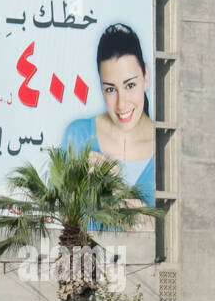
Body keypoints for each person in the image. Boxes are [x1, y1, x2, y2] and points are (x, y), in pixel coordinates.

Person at [61, 23, 155, 204]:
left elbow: (162, 220)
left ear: (146, 76)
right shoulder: (78, 135)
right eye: (110, 89)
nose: (121, 104)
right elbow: (56, 210)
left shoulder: (167, 147)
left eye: (130, 85)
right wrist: (79, 180)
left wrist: (113, 182)